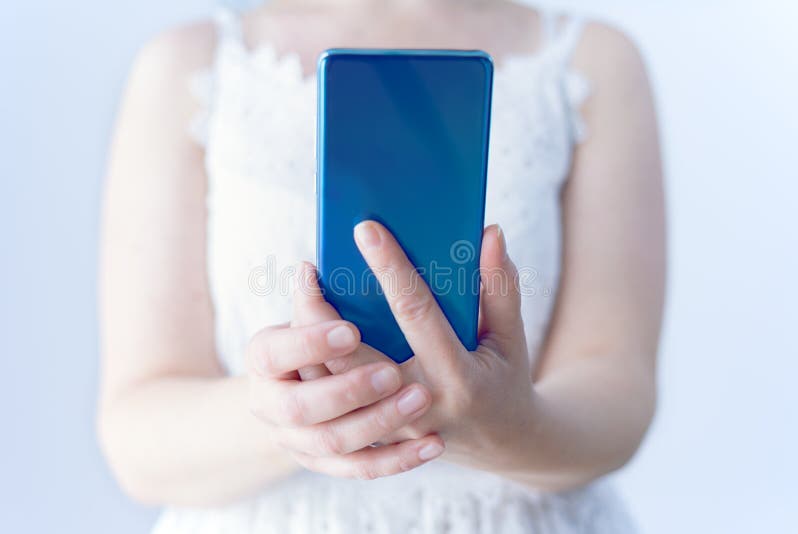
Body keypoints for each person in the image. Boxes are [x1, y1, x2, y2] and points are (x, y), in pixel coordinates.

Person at [98, 0, 665, 532]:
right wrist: (287, 415)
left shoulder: (591, 61)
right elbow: (137, 439)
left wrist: (511, 427)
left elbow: (618, 392)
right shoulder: (190, 66)